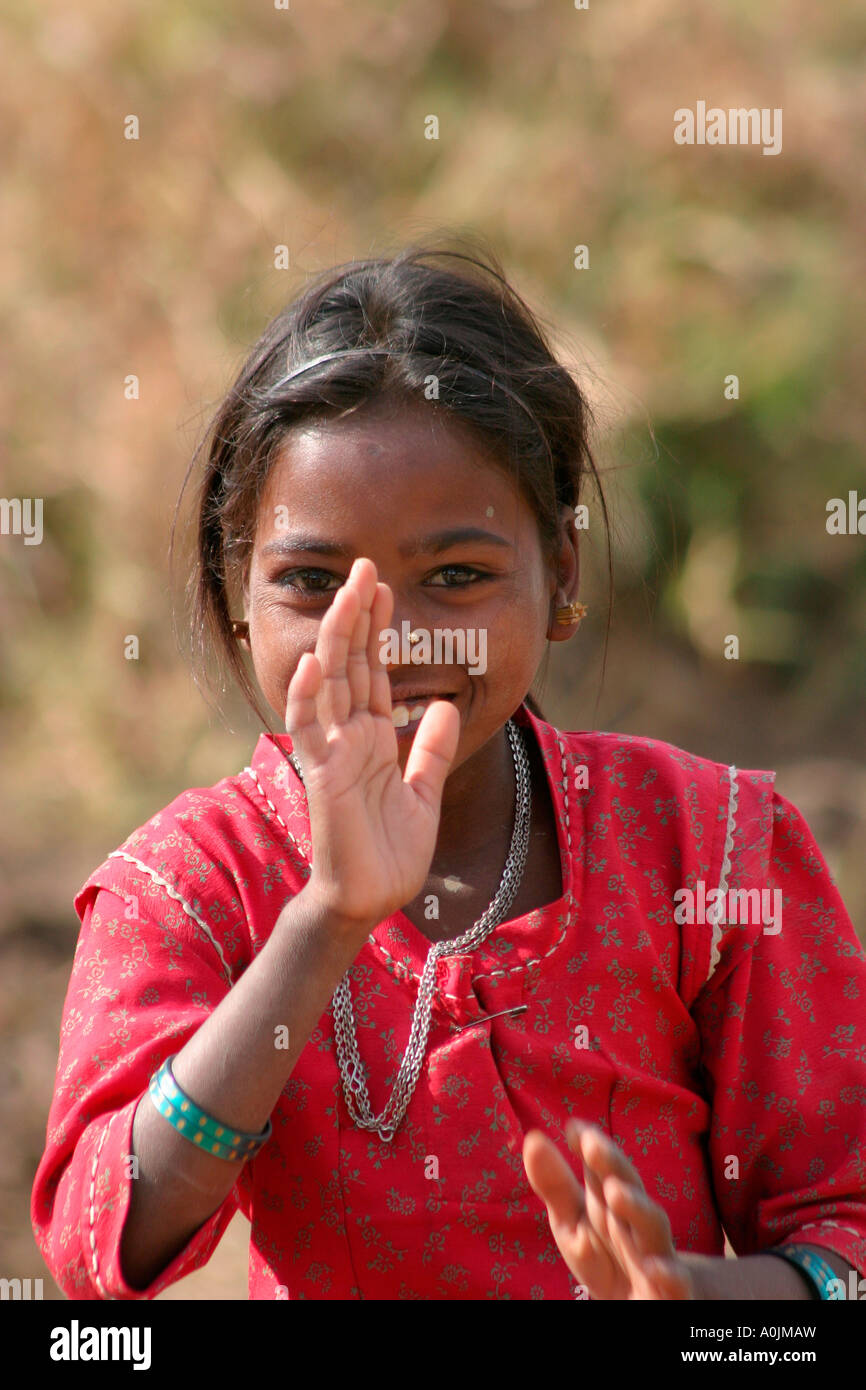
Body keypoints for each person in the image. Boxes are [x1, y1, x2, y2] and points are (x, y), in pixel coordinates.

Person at [31, 241, 866, 1301]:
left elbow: (842, 1222)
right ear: (235, 593)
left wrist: (699, 1298)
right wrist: (326, 918)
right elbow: (102, 1236)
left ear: (559, 574)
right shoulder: (194, 883)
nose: (383, 633)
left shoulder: (704, 846)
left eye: (457, 576)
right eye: (311, 579)